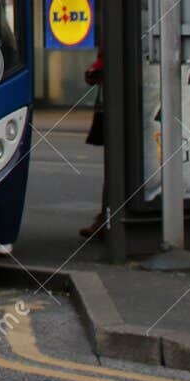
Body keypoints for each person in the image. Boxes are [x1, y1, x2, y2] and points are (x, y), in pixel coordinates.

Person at [79, 47, 107, 239]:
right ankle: (104, 217)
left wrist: (95, 71)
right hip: (108, 102)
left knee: (114, 168)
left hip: (111, 106)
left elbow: (105, 60)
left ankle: (105, 218)